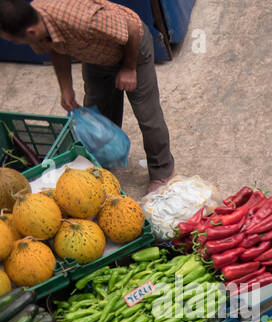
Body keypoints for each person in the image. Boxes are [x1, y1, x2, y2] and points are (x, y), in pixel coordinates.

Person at [0, 0, 174, 191]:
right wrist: (66, 87)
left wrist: (129, 68)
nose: (15, 43)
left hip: (131, 50)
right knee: (97, 113)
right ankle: (102, 165)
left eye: (14, 40)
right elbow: (55, 48)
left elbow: (132, 28)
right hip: (95, 55)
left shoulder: (83, 20)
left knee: (147, 116)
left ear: (31, 32)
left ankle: (161, 172)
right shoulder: (37, 27)